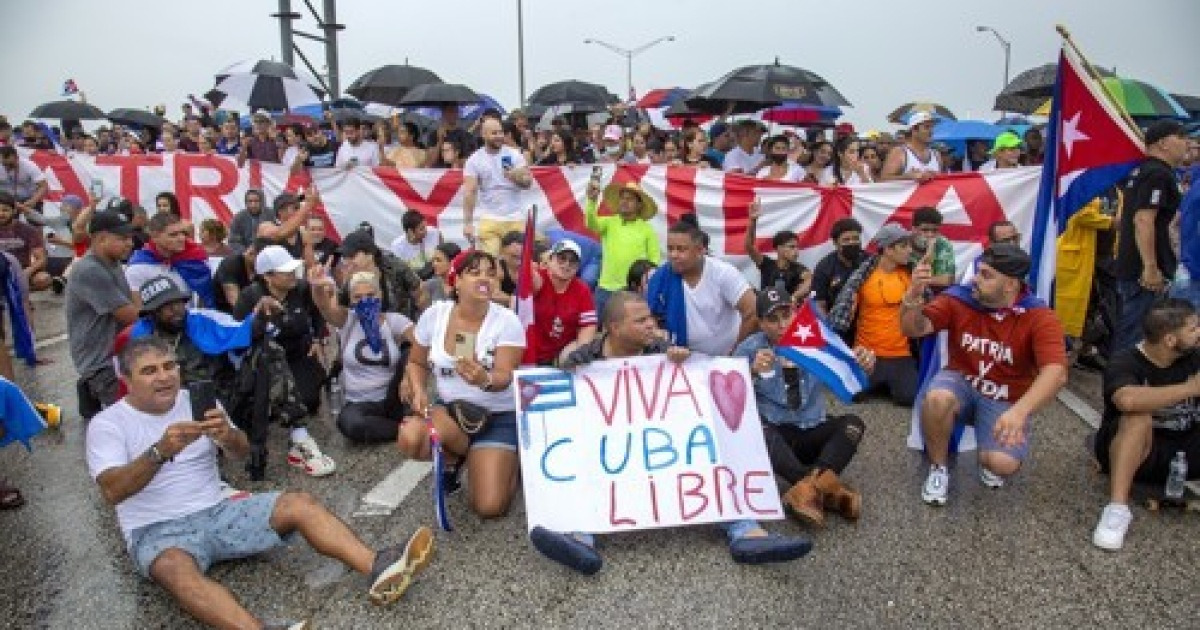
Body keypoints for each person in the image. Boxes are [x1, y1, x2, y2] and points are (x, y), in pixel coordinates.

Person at [85, 336, 434, 627]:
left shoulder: (196, 400)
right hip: (157, 529)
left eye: (169, 366)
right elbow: (112, 491)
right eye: (149, 371)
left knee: (299, 502)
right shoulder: (108, 424)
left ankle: (377, 567)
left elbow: (240, 452)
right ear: (127, 380)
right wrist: (159, 452)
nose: (164, 377)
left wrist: (226, 435)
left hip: (217, 509)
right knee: (175, 571)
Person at [528, 291, 813, 575]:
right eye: (640, 321)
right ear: (614, 328)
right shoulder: (584, 358)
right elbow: (560, 401)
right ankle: (580, 540)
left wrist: (686, 365)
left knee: (707, 458)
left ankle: (746, 532)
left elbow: (701, 395)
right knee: (590, 470)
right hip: (615, 452)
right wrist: (567, 371)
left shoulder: (662, 351)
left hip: (662, 449)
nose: (651, 324)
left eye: (650, 317)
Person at [900, 243, 1068, 506]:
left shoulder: (1039, 316)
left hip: (1005, 395)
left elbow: (1056, 373)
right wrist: (913, 296)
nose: (975, 279)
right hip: (961, 380)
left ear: (1011, 285)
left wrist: (1019, 412)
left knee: (1001, 464)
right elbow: (914, 329)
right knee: (936, 398)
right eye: (979, 271)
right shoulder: (960, 298)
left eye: (986, 275)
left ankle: (989, 454)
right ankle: (938, 469)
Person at [397, 250, 526, 517]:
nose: (485, 279)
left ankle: (513, 462)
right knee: (411, 437)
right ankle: (456, 458)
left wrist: (485, 379)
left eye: (491, 274)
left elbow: (505, 375)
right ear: (456, 281)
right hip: (452, 411)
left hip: (498, 416)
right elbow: (416, 362)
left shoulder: (507, 322)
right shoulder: (435, 315)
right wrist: (419, 389)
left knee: (489, 507)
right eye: (475, 272)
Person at [735, 288, 872, 527]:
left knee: (853, 424)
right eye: (772, 319)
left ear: (796, 311)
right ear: (760, 323)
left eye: (786, 315)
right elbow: (730, 398)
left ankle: (807, 489)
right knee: (756, 434)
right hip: (779, 434)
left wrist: (860, 363)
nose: (781, 325)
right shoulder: (749, 349)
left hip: (812, 427)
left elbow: (842, 363)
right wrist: (752, 372)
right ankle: (827, 489)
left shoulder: (815, 339)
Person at [1092, 299, 1200, 550]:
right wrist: (1191, 388)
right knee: (1137, 417)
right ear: (1170, 340)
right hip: (1140, 454)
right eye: (1193, 329)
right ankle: (1116, 510)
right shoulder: (1126, 361)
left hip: (1185, 454)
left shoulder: (1194, 356)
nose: (1199, 333)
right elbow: (1127, 400)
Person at [233, 245, 335, 477]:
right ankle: (297, 436)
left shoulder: (300, 289)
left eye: (292, 270)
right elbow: (239, 337)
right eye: (284, 272)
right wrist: (259, 319)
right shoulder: (250, 296)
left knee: (308, 399)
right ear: (267, 276)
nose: (291, 275)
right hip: (265, 360)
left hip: (298, 352)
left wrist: (318, 339)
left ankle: (291, 415)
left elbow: (317, 314)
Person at [310, 269, 415, 444]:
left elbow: (422, 344)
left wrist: (408, 375)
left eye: (370, 294)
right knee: (350, 424)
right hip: (360, 401)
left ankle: (403, 425)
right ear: (350, 299)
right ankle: (403, 429)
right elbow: (325, 307)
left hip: (393, 396)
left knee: (408, 353)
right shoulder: (347, 321)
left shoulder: (393, 321)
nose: (365, 300)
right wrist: (318, 287)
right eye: (358, 297)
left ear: (380, 295)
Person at [1113, 120, 1191, 352]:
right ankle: (1122, 383)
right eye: (1181, 136)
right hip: (1143, 272)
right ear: (1164, 143)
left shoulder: (1148, 171)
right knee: (1137, 332)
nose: (1187, 142)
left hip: (1141, 265)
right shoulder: (1156, 173)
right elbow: (1143, 219)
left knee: (1142, 330)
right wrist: (1150, 266)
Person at [829, 224, 918, 406]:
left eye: (909, 245)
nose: (910, 250)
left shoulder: (912, 276)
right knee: (854, 395)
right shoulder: (863, 275)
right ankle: (879, 382)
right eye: (904, 246)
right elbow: (842, 312)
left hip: (900, 354)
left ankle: (888, 382)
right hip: (867, 353)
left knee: (909, 398)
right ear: (888, 249)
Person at [648, 218, 757, 356]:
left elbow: (752, 311)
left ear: (700, 250)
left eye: (681, 249)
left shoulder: (723, 273)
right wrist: (660, 336)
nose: (673, 255)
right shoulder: (660, 278)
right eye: (670, 249)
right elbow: (651, 317)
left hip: (727, 359)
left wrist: (737, 351)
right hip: (682, 360)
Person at [66, 210, 138, 419]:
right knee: (135, 415)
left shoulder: (112, 263)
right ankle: (90, 384)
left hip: (116, 352)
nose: (130, 243)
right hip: (101, 361)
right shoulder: (90, 269)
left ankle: (89, 389)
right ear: (101, 239)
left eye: (130, 237)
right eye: (123, 238)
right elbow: (128, 315)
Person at [586, 180, 662, 319]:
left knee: (627, 333)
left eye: (630, 199)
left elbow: (654, 262)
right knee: (598, 329)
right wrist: (591, 201)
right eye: (622, 198)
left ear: (639, 205)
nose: (624, 202)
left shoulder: (647, 230)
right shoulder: (609, 222)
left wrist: (645, 288)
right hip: (605, 288)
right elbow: (590, 222)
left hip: (632, 291)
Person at [462, 118, 532, 254]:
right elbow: (470, 192)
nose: (499, 136)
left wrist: (515, 176)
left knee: (517, 261)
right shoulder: (474, 160)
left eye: (501, 132)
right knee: (491, 262)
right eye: (494, 133)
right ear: (483, 134)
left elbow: (528, 183)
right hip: (490, 219)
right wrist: (467, 224)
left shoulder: (514, 154)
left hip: (515, 218)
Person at [526, 239, 597, 365]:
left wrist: (581, 350)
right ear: (550, 260)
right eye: (561, 258)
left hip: (561, 355)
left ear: (578, 266)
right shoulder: (538, 279)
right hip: (529, 352)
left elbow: (588, 325)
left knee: (579, 352)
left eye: (573, 261)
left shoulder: (582, 289)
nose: (566, 264)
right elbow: (521, 295)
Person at [125, 211, 214, 309]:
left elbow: (208, 300)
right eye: (173, 235)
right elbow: (139, 312)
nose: (182, 238)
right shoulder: (138, 269)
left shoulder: (194, 261)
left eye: (183, 233)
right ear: (155, 237)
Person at [744, 198, 810, 299]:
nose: (796, 251)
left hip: (788, 312)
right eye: (791, 247)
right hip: (765, 312)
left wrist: (793, 298)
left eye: (797, 247)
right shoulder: (766, 264)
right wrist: (752, 221)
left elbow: (810, 281)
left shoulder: (799, 269)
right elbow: (749, 246)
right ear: (779, 248)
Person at [810, 218, 864, 315]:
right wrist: (828, 328)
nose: (852, 242)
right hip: (836, 324)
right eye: (846, 240)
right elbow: (819, 304)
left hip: (867, 322)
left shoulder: (870, 261)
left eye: (856, 238)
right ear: (835, 243)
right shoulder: (824, 267)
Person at [0, 192, 50, 292]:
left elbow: (41, 259)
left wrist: (28, 271)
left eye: (5, 210)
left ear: (14, 211)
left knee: (44, 279)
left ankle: (20, 293)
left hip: (21, 271)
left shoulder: (28, 230)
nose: (1, 214)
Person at [879, 112, 941, 182]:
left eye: (932, 127)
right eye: (927, 127)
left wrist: (936, 176)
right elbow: (883, 180)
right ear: (914, 130)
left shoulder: (936, 154)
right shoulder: (900, 152)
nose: (931, 131)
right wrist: (909, 177)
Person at [910, 206, 956, 290]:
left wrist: (919, 280)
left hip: (934, 292)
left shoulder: (943, 244)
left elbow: (948, 280)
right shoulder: (903, 242)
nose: (930, 235)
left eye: (935, 231)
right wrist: (928, 255)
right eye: (925, 230)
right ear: (914, 229)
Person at [0, 146, 48, 225]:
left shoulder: (29, 166)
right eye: (4, 164)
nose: (7, 167)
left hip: (30, 198)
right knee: (7, 224)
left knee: (36, 224)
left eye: (10, 164)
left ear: (17, 158)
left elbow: (43, 186)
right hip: (8, 199)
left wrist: (33, 201)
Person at [390, 210, 442, 274]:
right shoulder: (397, 247)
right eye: (421, 229)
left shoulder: (434, 232)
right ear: (410, 231)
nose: (426, 231)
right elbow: (400, 272)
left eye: (425, 226)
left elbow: (443, 255)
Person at [227, 189, 275, 253]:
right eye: (250, 201)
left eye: (256, 201)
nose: (253, 205)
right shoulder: (239, 218)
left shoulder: (271, 214)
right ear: (246, 203)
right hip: (246, 255)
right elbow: (233, 241)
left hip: (270, 251)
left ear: (262, 201)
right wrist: (246, 252)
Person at [418, 242, 461, 310]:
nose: (434, 264)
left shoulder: (464, 286)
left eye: (438, 260)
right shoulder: (430, 285)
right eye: (433, 260)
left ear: (453, 262)